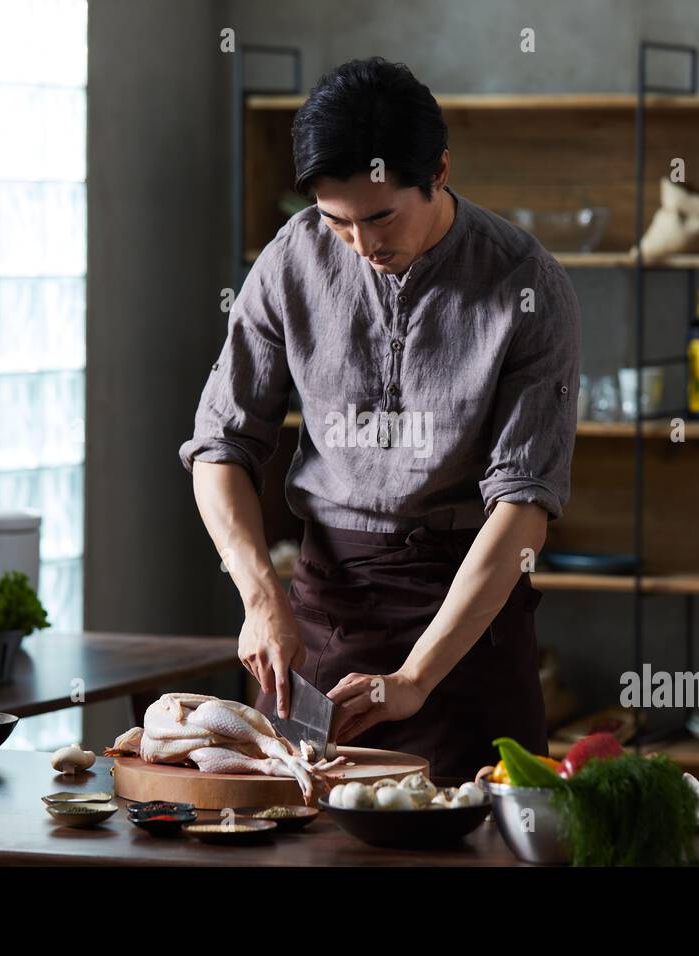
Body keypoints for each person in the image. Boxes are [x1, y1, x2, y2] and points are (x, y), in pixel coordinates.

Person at [180, 57, 580, 781]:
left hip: (468, 621)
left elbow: (523, 507)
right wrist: (260, 595)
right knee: (310, 841)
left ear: (440, 171)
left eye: (381, 217)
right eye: (337, 224)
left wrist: (418, 675)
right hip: (326, 614)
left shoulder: (525, 282)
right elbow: (221, 448)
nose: (363, 246)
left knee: (487, 844)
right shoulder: (290, 260)